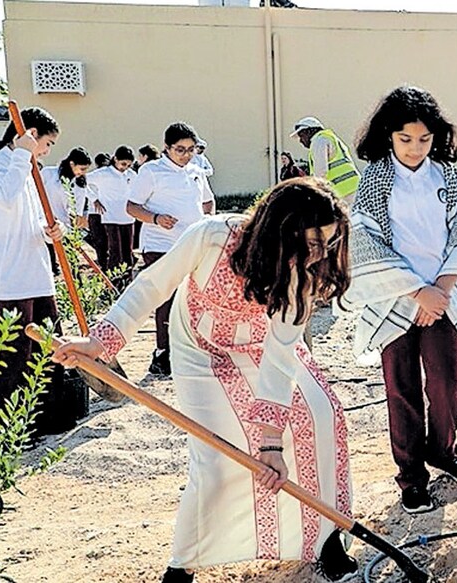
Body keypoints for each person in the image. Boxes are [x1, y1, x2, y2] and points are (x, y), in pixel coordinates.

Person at [52, 178, 358, 583]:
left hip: (262, 347)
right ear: (282, 229)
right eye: (313, 243)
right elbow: (153, 285)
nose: (319, 254)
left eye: (327, 245)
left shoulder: (300, 275)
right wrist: (100, 342)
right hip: (200, 349)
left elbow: (281, 356)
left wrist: (270, 442)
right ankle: (182, 565)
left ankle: (327, 539)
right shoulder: (212, 236)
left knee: (322, 415)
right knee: (216, 457)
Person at [343, 86, 457, 515]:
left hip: (442, 295)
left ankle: (443, 450)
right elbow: (366, 241)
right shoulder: (375, 179)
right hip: (394, 298)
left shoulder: (448, 177)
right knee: (401, 390)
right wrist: (416, 292)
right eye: (405, 139)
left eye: (424, 139)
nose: (415, 148)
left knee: (446, 382)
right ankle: (411, 477)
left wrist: (439, 291)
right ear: (388, 134)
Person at [0, 106, 74, 436]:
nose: (47, 151)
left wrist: (52, 230)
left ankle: (46, 419)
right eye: (46, 143)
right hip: (11, 277)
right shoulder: (0, 163)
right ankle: (5, 430)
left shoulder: (30, 167)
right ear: (32, 135)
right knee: (14, 358)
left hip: (38, 273)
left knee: (47, 351)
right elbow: (4, 201)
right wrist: (22, 153)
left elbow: (31, 218)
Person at [127, 122, 216, 377]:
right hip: (160, 244)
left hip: (193, 244)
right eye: (180, 149)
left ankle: (189, 349)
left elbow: (207, 201)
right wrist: (155, 218)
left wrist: (208, 221)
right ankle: (163, 352)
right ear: (167, 148)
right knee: (167, 297)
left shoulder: (196, 170)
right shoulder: (151, 171)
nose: (186, 155)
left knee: (192, 297)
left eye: (191, 149)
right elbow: (132, 207)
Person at [88, 145, 137, 288]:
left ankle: (127, 283)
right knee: (115, 253)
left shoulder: (131, 175)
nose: (125, 168)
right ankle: (113, 285)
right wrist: (94, 199)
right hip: (111, 218)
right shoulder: (103, 173)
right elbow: (82, 181)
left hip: (128, 218)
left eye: (128, 165)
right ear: (115, 159)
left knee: (128, 253)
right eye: (123, 164)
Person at [40, 147, 93, 275]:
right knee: (45, 259)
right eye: (82, 169)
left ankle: (76, 283)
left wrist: (76, 228)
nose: (83, 173)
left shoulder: (80, 185)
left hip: (63, 226)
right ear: (72, 164)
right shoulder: (48, 173)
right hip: (42, 222)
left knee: (71, 260)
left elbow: (76, 211)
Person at [291, 117, 360, 206]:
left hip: (343, 192)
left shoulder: (318, 141)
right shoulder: (329, 138)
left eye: (301, 135)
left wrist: (315, 193)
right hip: (353, 187)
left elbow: (321, 172)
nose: (300, 140)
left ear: (310, 131)